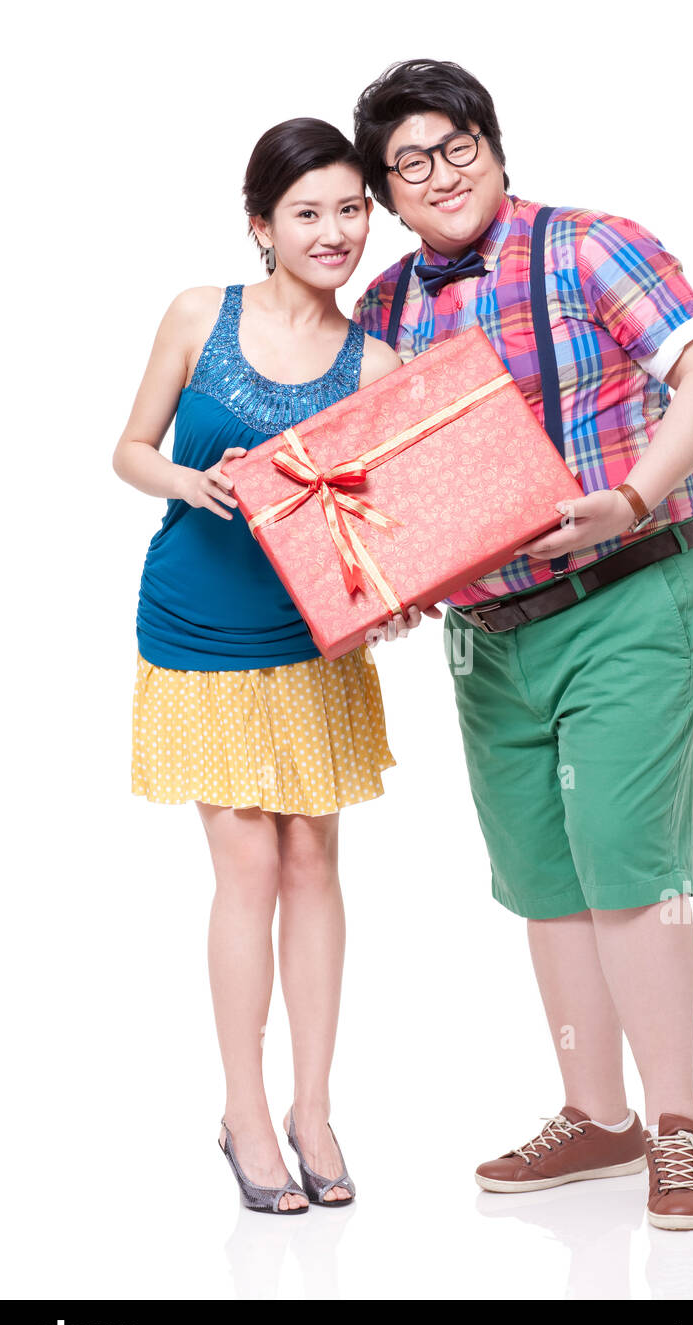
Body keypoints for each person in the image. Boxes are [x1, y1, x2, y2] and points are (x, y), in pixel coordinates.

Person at [352, 59, 693, 1229]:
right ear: (384, 189)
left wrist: (628, 496)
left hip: (630, 592)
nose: (438, 172)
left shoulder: (587, 247)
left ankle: (676, 1124)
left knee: (627, 860)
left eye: (454, 142)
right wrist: (396, 579)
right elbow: (383, 489)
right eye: (408, 161)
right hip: (489, 638)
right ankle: (598, 1114)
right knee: (542, 879)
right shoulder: (382, 310)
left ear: (493, 142)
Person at [114, 118, 403, 1213]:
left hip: (312, 639)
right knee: (243, 869)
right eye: (307, 213)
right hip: (197, 624)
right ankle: (243, 1111)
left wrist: (386, 598)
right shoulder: (200, 316)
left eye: (348, 210)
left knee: (311, 866)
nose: (333, 233)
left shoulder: (377, 361)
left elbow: (382, 522)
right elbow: (128, 449)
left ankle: (312, 1106)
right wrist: (196, 482)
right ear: (260, 225)